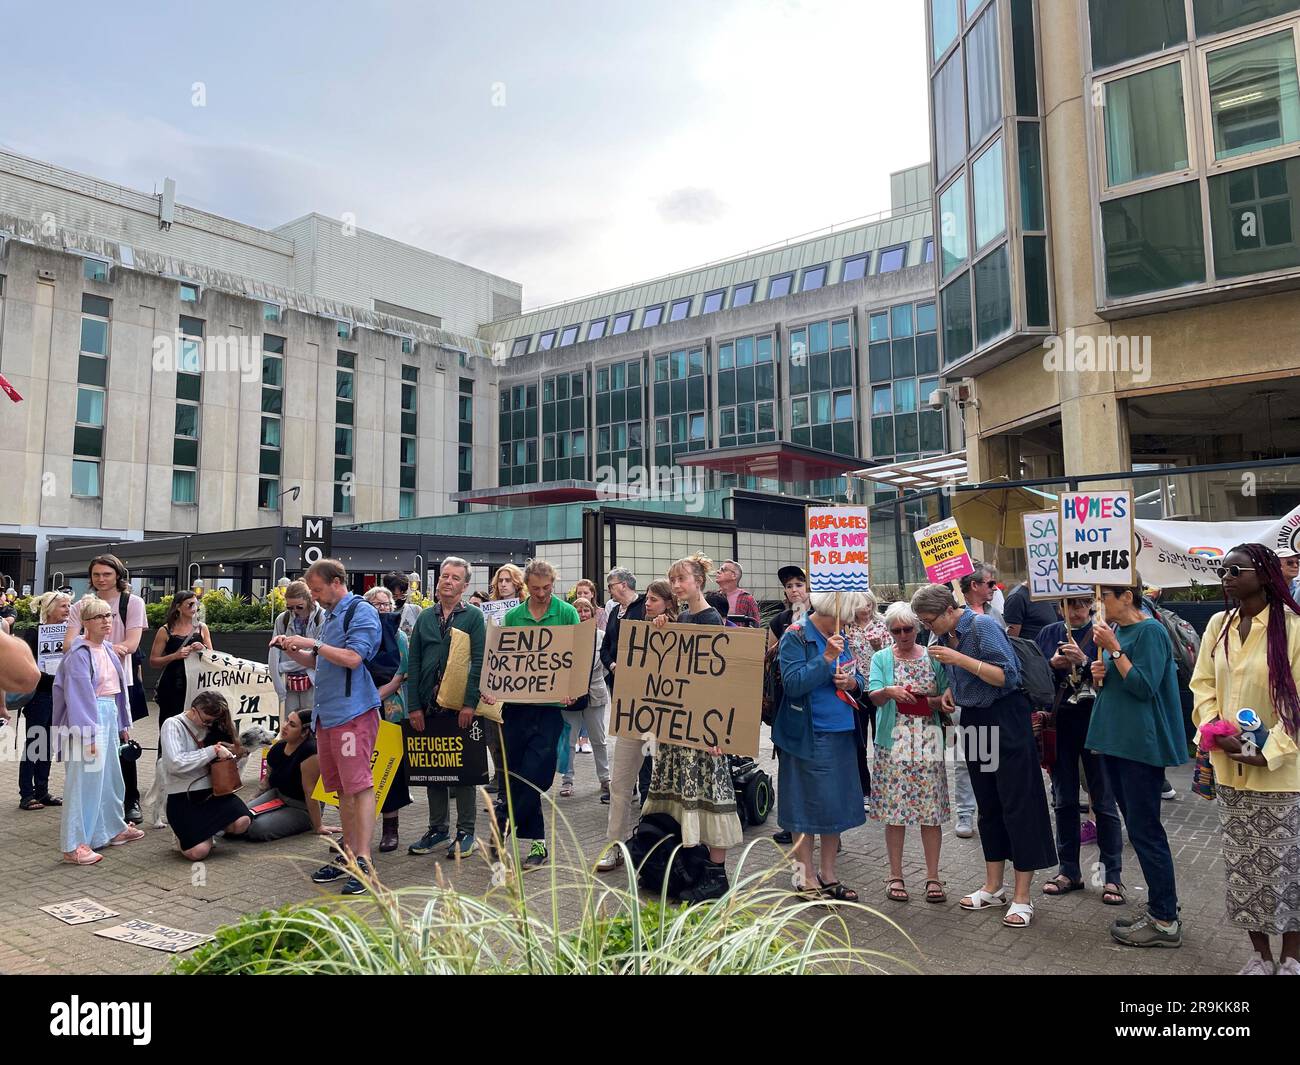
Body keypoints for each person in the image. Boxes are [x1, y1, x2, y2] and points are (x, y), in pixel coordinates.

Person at [912, 583, 1055, 928]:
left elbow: (1007, 676)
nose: (928, 628)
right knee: (988, 804)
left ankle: (1023, 896)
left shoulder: (982, 625)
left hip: (1006, 718)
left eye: (930, 621)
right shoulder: (944, 637)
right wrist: (950, 689)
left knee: (1018, 803)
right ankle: (993, 886)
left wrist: (960, 659)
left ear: (948, 610)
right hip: (974, 720)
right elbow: (963, 675)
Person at [1192, 544, 1300, 973]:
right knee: (1246, 873)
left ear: (1265, 573)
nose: (1227, 576)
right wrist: (1212, 728)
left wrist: (1262, 751)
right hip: (1230, 770)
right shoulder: (1219, 625)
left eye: (1237, 569)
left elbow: (1296, 705)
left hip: (1281, 774)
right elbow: (1201, 683)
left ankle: (1292, 958)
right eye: (1223, 570)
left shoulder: (1292, 628)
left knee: (1287, 869)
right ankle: (1259, 955)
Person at [271, 559, 382, 896]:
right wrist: (295, 647)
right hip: (328, 716)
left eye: (317, 590)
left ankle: (363, 860)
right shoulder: (330, 617)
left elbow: (354, 658)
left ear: (337, 582)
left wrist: (312, 645)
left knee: (358, 787)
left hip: (353, 714)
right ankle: (349, 855)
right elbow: (320, 661)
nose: (315, 597)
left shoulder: (359, 611)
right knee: (341, 790)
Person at [1087, 580, 1187, 948]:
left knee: (1146, 831)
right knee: (1139, 827)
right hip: (1117, 742)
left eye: (1105, 598)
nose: (1100, 606)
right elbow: (1118, 684)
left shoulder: (1150, 631)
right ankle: (1162, 907)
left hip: (1140, 746)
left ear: (1127, 596)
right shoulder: (1116, 630)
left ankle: (1165, 920)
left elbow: (1144, 687)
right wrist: (1099, 676)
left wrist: (1114, 653)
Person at [641, 554, 741, 902]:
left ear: (699, 580)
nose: (676, 585)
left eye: (681, 579)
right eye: (673, 580)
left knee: (708, 796)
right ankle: (695, 867)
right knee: (689, 795)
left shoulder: (712, 619)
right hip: (680, 729)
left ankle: (716, 875)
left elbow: (715, 680)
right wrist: (663, 632)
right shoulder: (682, 616)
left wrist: (717, 732)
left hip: (701, 731)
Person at [775, 590, 870, 902]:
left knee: (835, 806)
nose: (853, 622)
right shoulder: (797, 635)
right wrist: (826, 658)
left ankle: (828, 874)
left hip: (842, 730)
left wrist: (853, 684)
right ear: (834, 611)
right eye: (850, 616)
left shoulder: (840, 634)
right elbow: (792, 684)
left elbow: (860, 682)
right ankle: (805, 876)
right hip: (808, 733)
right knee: (805, 806)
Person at [484, 559, 579, 869]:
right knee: (516, 774)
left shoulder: (566, 613)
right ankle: (538, 845)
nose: (541, 594)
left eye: (547, 588)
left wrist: (572, 687)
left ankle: (502, 821)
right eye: (536, 588)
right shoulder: (513, 615)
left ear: (554, 583)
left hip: (550, 709)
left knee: (535, 774)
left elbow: (577, 655)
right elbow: (502, 657)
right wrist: (493, 686)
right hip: (516, 707)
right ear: (527, 585)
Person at [1034, 595, 1125, 907]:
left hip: (1097, 723)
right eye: (1069, 604)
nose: (1075, 611)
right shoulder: (1048, 634)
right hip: (1061, 723)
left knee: (1104, 802)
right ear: (1060, 606)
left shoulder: (1104, 632)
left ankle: (1112, 875)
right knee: (1064, 800)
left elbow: (1116, 677)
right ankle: (1069, 870)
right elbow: (1035, 680)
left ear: (1092, 605)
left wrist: (1084, 663)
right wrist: (1051, 664)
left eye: (1081, 604)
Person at [868, 601, 951, 903]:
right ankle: (895, 874)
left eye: (908, 629)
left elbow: (946, 698)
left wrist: (928, 702)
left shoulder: (934, 657)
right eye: (896, 630)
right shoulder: (881, 658)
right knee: (895, 812)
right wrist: (888, 692)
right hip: (893, 743)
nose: (903, 635)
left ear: (917, 627)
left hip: (927, 740)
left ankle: (933, 877)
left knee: (931, 812)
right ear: (888, 631)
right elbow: (874, 697)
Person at [52, 596, 144, 864]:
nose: (107, 621)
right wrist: (89, 736)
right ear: (85, 622)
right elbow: (79, 697)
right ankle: (73, 846)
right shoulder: (78, 655)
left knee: (110, 780)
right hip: (87, 722)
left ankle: (112, 828)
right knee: (83, 784)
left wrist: (122, 725)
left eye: (109, 616)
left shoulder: (107, 650)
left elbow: (118, 693)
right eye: (99, 617)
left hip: (106, 717)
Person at [406, 557, 486, 859]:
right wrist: (414, 706)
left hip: (460, 707)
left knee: (463, 772)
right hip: (427, 706)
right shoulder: (426, 617)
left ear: (465, 586)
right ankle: (438, 830)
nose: (447, 581)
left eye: (454, 578)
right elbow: (412, 662)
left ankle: (466, 833)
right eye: (443, 576)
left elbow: (478, 661)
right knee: (433, 768)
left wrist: (469, 703)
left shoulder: (474, 617)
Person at [596, 578, 676, 872]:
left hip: (666, 723)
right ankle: (613, 845)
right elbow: (612, 650)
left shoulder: (680, 629)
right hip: (634, 715)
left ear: (667, 603)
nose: (648, 604)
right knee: (620, 782)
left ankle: (657, 846)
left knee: (659, 785)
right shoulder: (632, 622)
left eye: (654, 599)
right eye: (648, 599)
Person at [63, 554, 146, 824]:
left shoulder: (132, 602)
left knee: (122, 744)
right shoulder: (80, 605)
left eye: (107, 574)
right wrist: (99, 649)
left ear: (118, 575)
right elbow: (68, 644)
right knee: (92, 746)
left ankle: (130, 800)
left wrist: (99, 648)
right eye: (96, 574)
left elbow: (132, 644)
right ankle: (94, 806)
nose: (101, 579)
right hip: (90, 686)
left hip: (121, 683)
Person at [160, 690, 252, 859]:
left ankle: (206, 832)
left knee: (243, 822)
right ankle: (189, 836)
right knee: (198, 853)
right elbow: (175, 763)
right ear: (194, 710)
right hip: (183, 795)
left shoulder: (216, 725)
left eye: (213, 721)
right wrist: (213, 751)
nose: (209, 725)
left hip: (213, 792)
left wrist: (234, 756)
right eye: (207, 720)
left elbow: (226, 763)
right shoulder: (173, 724)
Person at [364, 585, 413, 852]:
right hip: (360, 710)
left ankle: (390, 828)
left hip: (390, 709)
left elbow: (401, 673)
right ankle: (357, 829)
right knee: (361, 771)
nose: (382, 609)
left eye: (386, 605)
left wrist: (375, 697)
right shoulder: (359, 634)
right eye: (376, 604)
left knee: (390, 770)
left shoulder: (399, 636)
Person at [242, 708, 335, 842]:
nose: (285, 726)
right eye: (286, 720)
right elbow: (266, 782)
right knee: (240, 817)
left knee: (256, 828)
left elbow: (310, 793)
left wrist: (318, 826)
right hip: (278, 795)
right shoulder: (278, 747)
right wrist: (251, 801)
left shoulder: (311, 752)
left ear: (304, 732)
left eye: (292, 725)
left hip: (302, 807)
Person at [18, 591, 69, 811]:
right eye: (63, 606)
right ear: (48, 609)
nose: (68, 609)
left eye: (69, 606)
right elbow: (26, 663)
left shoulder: (70, 634)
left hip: (59, 694)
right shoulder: (33, 632)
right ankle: (26, 795)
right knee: (34, 743)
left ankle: (42, 791)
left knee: (47, 745)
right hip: (39, 695)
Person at [559, 597, 611, 801]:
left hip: (595, 694)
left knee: (599, 739)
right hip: (570, 696)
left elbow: (607, 661)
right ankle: (567, 780)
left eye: (586, 611)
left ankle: (605, 778)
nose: (582, 615)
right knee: (568, 741)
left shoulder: (601, 636)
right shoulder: (566, 637)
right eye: (578, 611)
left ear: (592, 614)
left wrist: (595, 680)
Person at [483, 563, 526, 793]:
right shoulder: (489, 610)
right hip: (494, 674)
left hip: (517, 678)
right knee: (492, 733)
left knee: (512, 733)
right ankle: (499, 776)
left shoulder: (524, 609)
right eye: (500, 581)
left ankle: (513, 780)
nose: (503, 584)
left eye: (508, 580)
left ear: (517, 583)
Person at [148, 591, 212, 732]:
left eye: (197, 604)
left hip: (196, 683)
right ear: (178, 607)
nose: (194, 608)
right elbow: (153, 661)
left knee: (196, 725)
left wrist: (203, 648)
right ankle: (166, 753)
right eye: (190, 604)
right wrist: (174, 656)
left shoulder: (202, 628)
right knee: (170, 723)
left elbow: (212, 657)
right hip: (172, 683)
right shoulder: (165, 630)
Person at [268, 581, 326, 725]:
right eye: (289, 607)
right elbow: (274, 654)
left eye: (299, 607)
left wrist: (285, 666)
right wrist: (279, 685)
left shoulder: (322, 617)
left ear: (309, 600)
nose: (294, 611)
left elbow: (321, 653)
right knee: (289, 722)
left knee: (311, 722)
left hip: (314, 680)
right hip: (289, 681)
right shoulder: (283, 619)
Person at [768, 565, 809, 645]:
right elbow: (771, 655)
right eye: (789, 586)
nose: (794, 590)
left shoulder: (822, 616)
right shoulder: (778, 621)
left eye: (799, 585)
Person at [714, 559, 759, 627]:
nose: (718, 571)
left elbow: (756, 625)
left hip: (739, 637)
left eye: (723, 570)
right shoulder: (713, 597)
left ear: (734, 575)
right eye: (719, 569)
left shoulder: (747, 598)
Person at [383, 570, 424, 636]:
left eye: (403, 595)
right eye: (395, 596)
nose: (399, 598)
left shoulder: (416, 610)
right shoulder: (382, 611)